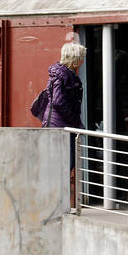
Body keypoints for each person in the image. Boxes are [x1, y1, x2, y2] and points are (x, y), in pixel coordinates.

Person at [42, 42, 86, 172]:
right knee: (65, 164)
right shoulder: (63, 76)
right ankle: (58, 191)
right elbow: (58, 101)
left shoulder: (63, 75)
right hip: (60, 127)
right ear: (74, 61)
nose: (83, 61)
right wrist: (75, 121)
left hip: (60, 125)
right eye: (81, 58)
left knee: (64, 164)